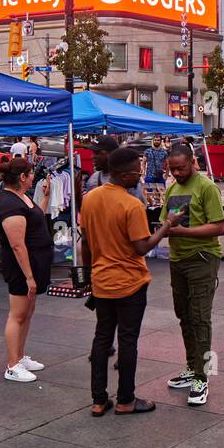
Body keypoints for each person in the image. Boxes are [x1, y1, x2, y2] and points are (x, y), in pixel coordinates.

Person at [81, 146, 178, 416]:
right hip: (129, 283)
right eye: (138, 171)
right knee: (128, 340)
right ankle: (126, 399)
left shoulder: (89, 198)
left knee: (101, 339)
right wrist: (167, 227)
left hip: (101, 280)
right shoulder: (131, 204)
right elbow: (141, 247)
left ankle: (98, 400)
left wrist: (89, 273)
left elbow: (86, 242)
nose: (141, 175)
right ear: (124, 175)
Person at [162, 143, 224, 407]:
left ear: (192, 162)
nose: (176, 173)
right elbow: (169, 221)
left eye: (181, 167)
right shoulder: (173, 188)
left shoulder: (206, 187)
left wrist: (183, 233)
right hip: (177, 260)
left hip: (201, 259)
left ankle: (202, 376)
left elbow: (219, 227)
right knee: (184, 315)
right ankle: (191, 366)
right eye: (172, 168)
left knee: (200, 318)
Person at [0, 158, 52, 382]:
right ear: (22, 177)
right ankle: (12, 365)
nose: (33, 178)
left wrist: (45, 198)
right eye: (30, 174)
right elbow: (17, 245)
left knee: (27, 312)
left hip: (36, 263)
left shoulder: (22, 197)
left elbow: (36, 220)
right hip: (21, 268)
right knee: (17, 315)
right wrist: (29, 276)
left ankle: (19, 357)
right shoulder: (9, 203)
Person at [83, 136, 144, 202]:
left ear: (112, 154)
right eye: (93, 153)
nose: (93, 157)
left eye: (97, 153)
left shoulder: (127, 179)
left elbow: (138, 206)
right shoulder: (93, 180)